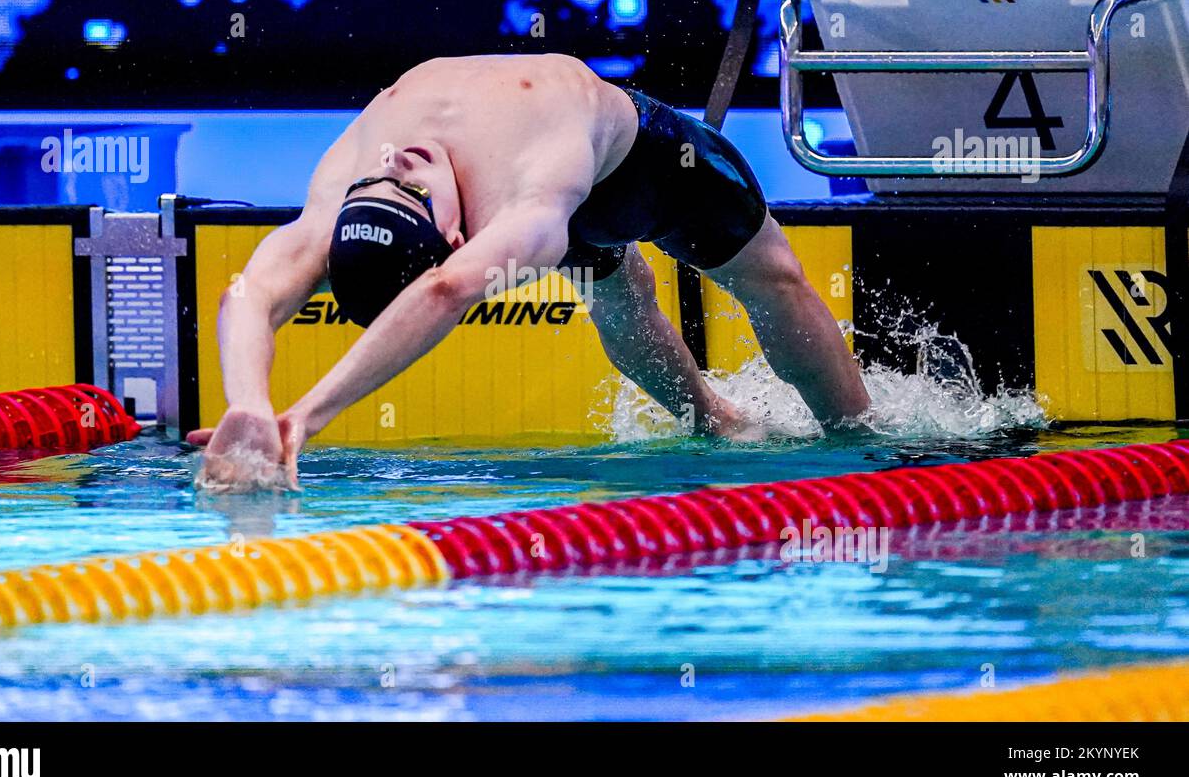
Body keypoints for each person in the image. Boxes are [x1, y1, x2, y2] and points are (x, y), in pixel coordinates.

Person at [188, 54, 869, 490]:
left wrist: (277, 410)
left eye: (387, 180)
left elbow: (256, 293)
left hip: (642, 162)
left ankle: (856, 434)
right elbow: (436, 289)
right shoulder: (474, 202)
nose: (398, 165)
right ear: (457, 236)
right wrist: (275, 411)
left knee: (773, 278)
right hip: (559, 187)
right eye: (407, 191)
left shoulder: (383, 182)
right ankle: (715, 419)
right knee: (621, 298)